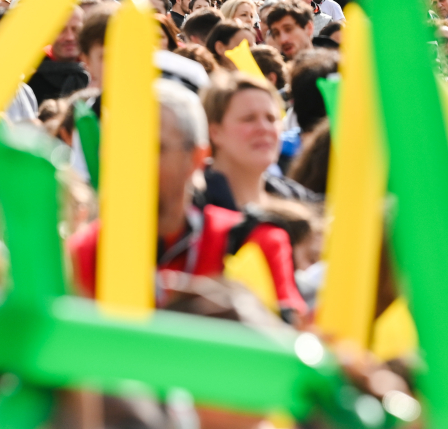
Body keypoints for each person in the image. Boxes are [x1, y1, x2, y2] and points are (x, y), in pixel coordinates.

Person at [69, 79, 307, 320]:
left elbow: (298, 347)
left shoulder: (253, 244)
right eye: (118, 148)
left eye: (153, 148)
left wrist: (252, 320)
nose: (131, 162)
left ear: (195, 158)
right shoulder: (86, 251)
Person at [201, 72, 318, 211]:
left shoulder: (301, 202)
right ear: (214, 131)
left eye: (271, 118)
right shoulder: (191, 208)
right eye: (249, 118)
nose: (264, 128)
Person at [28, 5, 89, 104]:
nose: (70, 37)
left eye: (76, 29)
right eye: (61, 30)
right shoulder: (29, 80)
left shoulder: (99, 76)